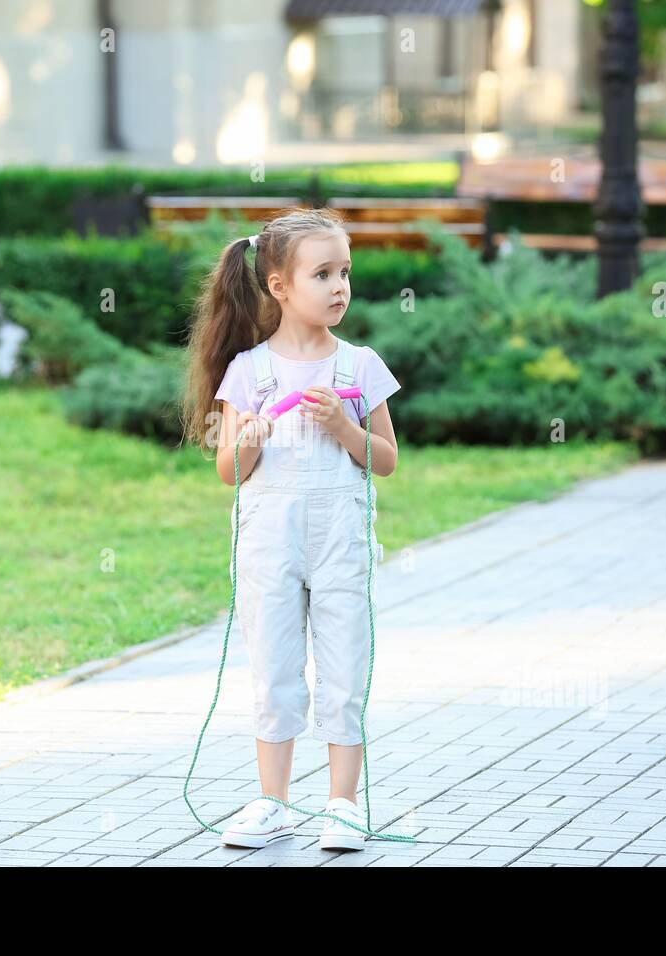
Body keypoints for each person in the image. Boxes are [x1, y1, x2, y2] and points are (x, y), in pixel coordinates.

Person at [179, 207, 402, 851]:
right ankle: (272, 802)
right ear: (278, 286)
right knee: (274, 667)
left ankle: (342, 805)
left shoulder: (359, 367)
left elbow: (384, 460)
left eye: (345, 273)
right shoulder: (248, 372)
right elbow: (229, 470)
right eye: (323, 274)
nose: (339, 287)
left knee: (343, 664)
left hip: (340, 544)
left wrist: (342, 428)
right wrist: (246, 439)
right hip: (269, 547)